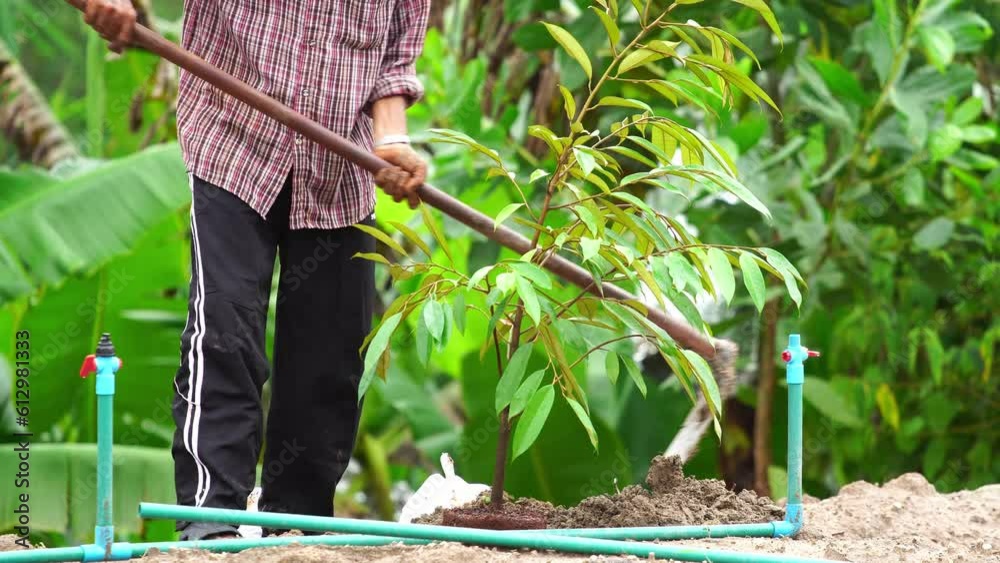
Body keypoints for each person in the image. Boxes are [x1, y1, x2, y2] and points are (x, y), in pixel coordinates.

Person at [82, 0, 430, 540]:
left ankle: (294, 532)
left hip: (339, 169)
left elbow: (394, 60)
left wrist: (392, 140)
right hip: (233, 141)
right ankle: (210, 524)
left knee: (332, 360)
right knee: (225, 330)